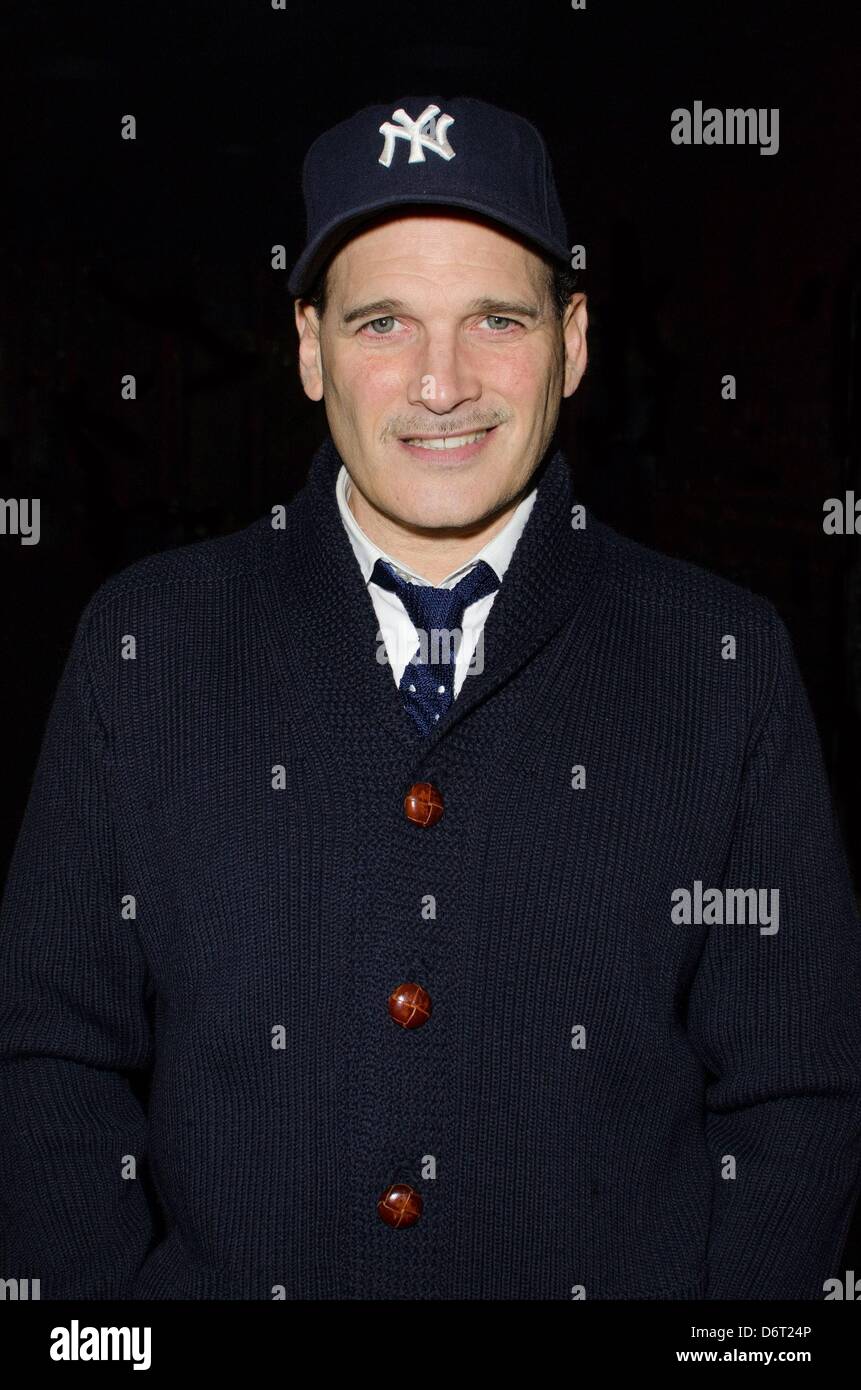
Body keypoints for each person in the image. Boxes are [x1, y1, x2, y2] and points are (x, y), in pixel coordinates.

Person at [1, 94, 859, 1301]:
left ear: (572, 340)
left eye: (496, 320)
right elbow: (45, 1054)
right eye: (384, 322)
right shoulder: (144, 646)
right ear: (309, 348)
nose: (441, 383)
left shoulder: (725, 660)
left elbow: (799, 1093)